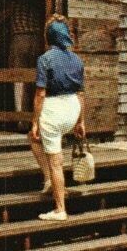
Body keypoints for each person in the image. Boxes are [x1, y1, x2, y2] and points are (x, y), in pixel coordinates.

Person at [28, 17, 86, 221]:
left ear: (48, 38)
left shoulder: (45, 59)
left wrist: (35, 121)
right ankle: (49, 180)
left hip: (53, 109)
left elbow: (41, 94)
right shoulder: (77, 60)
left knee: (55, 161)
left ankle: (60, 208)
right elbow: (80, 94)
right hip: (72, 108)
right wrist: (80, 122)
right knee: (36, 140)